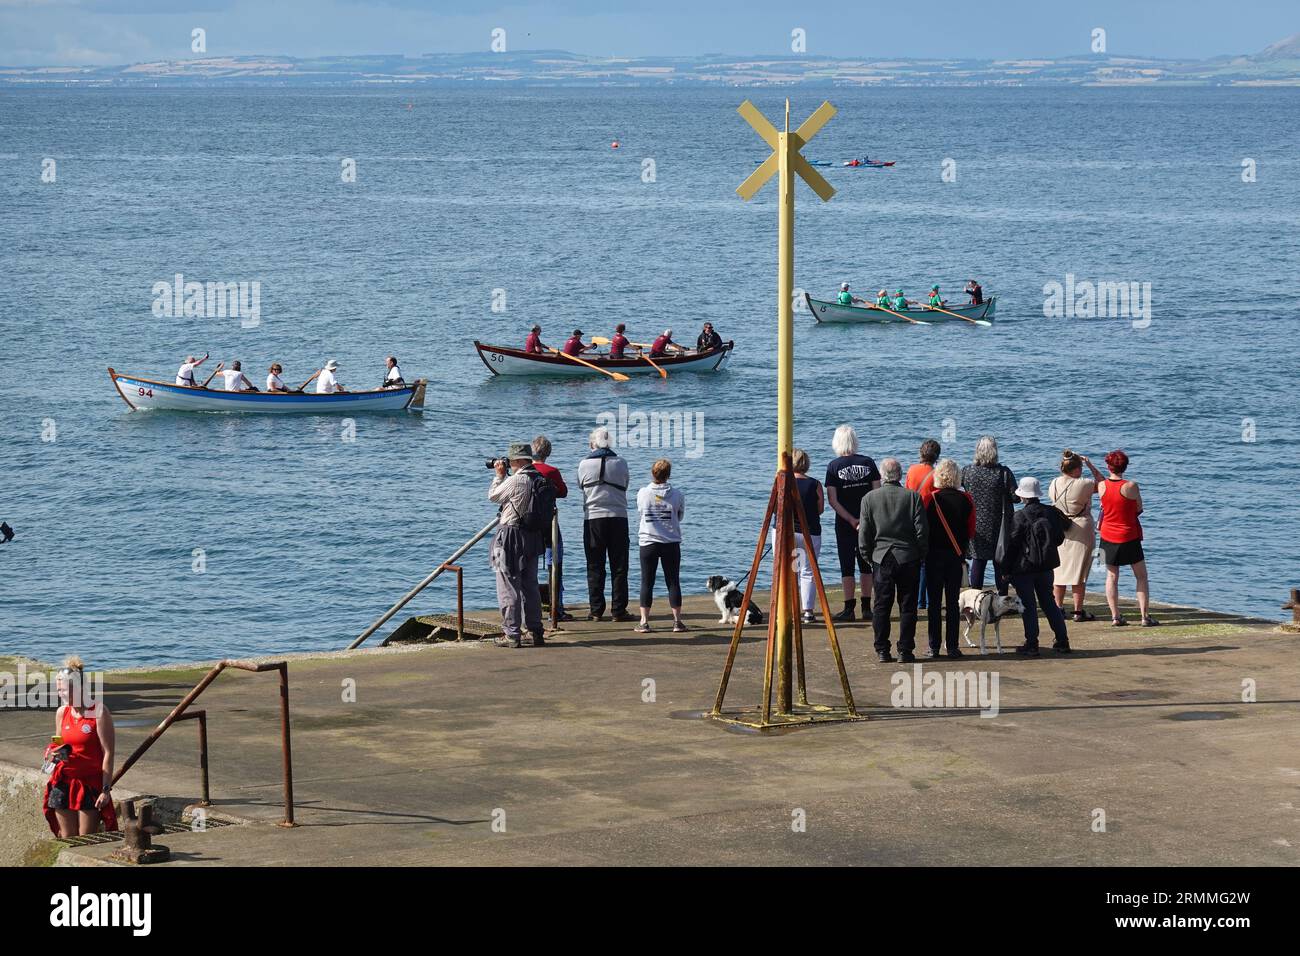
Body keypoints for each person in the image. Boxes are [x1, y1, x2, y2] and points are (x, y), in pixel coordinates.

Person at [859, 458, 929, 663]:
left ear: (882, 475)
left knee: (881, 606)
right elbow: (922, 532)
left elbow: (864, 534)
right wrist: (920, 554)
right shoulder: (912, 497)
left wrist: (868, 556)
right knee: (908, 606)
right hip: (908, 557)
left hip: (881, 557)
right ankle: (905, 650)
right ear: (900, 475)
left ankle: (882, 649)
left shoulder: (869, 499)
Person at [44, 657, 117, 838]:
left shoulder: (98, 712)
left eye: (63, 690)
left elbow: (108, 753)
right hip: (63, 781)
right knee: (67, 837)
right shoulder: (62, 712)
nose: (59, 694)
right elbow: (59, 743)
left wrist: (105, 789)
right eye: (58, 689)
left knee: (86, 839)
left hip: (88, 784)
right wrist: (52, 752)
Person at [488, 442, 547, 648]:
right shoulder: (540, 478)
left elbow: (493, 496)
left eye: (511, 461)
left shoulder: (517, 480)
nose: (509, 464)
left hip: (511, 535)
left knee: (507, 585)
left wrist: (499, 475)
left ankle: (512, 633)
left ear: (519, 461)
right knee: (530, 585)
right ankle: (535, 630)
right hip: (533, 536)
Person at [1007, 476, 1071, 656]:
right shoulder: (1051, 512)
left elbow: (1012, 545)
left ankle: (1032, 643)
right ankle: (1062, 639)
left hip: (1024, 568)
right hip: (1046, 566)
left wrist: (1006, 569)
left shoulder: (1019, 516)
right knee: (1049, 602)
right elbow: (1059, 538)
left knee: (1028, 605)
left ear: (1023, 497)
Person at [824, 425, 881, 621]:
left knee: (846, 564)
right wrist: (864, 519)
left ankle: (849, 608)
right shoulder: (869, 463)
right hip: (868, 521)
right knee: (867, 563)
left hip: (844, 522)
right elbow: (876, 493)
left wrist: (849, 519)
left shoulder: (833, 466)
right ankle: (867, 607)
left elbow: (832, 499)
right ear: (854, 441)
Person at [577, 427, 632, 622]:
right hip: (618, 517)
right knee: (619, 566)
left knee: (594, 565)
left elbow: (580, 485)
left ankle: (596, 610)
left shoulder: (584, 464)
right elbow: (625, 485)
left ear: (593, 444)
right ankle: (618, 610)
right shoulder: (621, 463)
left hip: (593, 518)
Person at [1098, 450, 1158, 627]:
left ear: (1109, 466)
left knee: (1111, 576)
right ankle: (1144, 617)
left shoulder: (1101, 485)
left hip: (1107, 534)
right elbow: (1139, 507)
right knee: (1141, 576)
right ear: (1125, 466)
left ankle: (1115, 616)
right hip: (1129, 535)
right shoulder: (1131, 486)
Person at [924, 459, 976, 658]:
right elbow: (971, 531)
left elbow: (923, 529)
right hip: (956, 555)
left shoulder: (930, 499)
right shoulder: (967, 499)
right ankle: (952, 646)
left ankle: (934, 646)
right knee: (953, 602)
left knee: (934, 603)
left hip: (933, 555)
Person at [1049, 450, 1105, 622]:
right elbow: (1104, 484)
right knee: (1079, 573)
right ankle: (1078, 612)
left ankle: (1058, 608)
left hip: (1060, 528)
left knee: (1059, 572)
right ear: (1076, 469)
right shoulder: (1084, 483)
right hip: (1081, 527)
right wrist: (1090, 464)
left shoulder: (1054, 483)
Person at [635, 459, 686, 633]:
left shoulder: (643, 493)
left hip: (648, 541)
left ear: (652, 473)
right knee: (673, 581)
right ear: (668, 475)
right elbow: (680, 516)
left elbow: (641, 512)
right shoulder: (677, 494)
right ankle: (677, 622)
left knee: (646, 582)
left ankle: (644, 622)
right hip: (670, 541)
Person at [961, 436, 1017, 595]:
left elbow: (960, 489)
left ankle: (975, 597)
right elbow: (1015, 497)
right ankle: (1003, 597)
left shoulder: (967, 471)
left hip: (975, 524)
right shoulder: (1003, 473)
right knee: (1000, 562)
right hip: (999, 526)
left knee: (978, 561)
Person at [531, 435, 572, 623]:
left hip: (530, 524)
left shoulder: (525, 470)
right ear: (548, 453)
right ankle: (557, 609)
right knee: (555, 564)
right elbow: (563, 492)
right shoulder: (552, 471)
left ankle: (530, 607)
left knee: (529, 566)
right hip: (549, 523)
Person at [906, 439, 941, 608]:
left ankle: (917, 599)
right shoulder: (936, 474)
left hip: (912, 516)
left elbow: (908, 491)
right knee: (928, 561)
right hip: (929, 518)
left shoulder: (912, 470)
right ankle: (925, 599)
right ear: (937, 457)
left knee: (916, 560)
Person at [791, 449, 824, 624]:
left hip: (789, 532)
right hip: (810, 531)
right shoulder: (815, 484)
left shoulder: (785, 482)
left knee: (791, 571)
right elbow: (820, 509)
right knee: (808, 571)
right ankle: (808, 611)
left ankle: (789, 608)